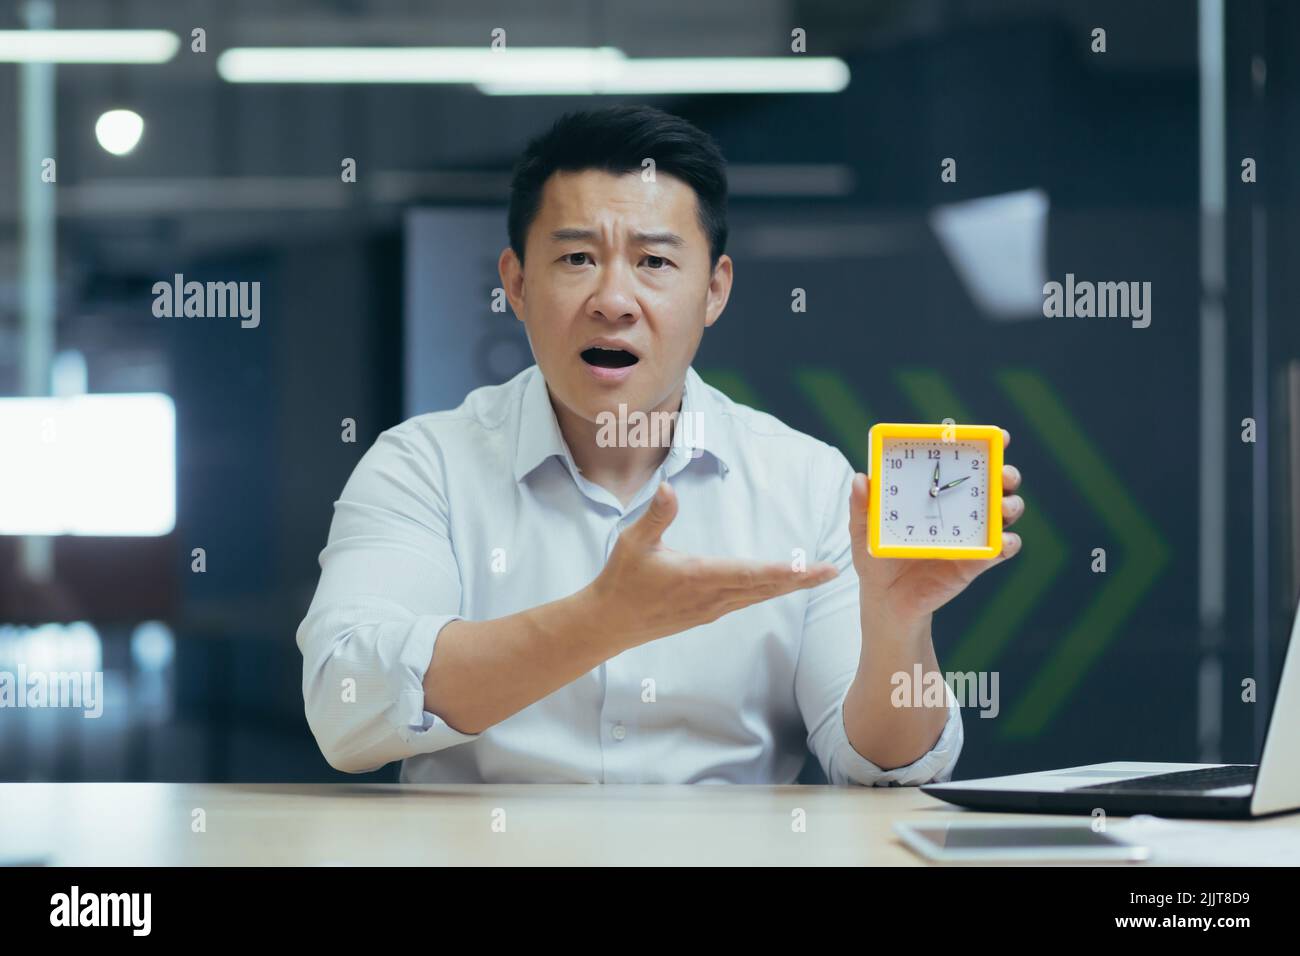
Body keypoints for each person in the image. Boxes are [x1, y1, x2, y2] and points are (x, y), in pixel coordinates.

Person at [297, 105, 1024, 784]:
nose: (613, 300)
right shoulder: (423, 468)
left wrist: (898, 626)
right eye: (577, 258)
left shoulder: (807, 483)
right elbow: (344, 705)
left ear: (714, 290)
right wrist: (601, 621)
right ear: (516, 283)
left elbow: (878, 767)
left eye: (655, 263)